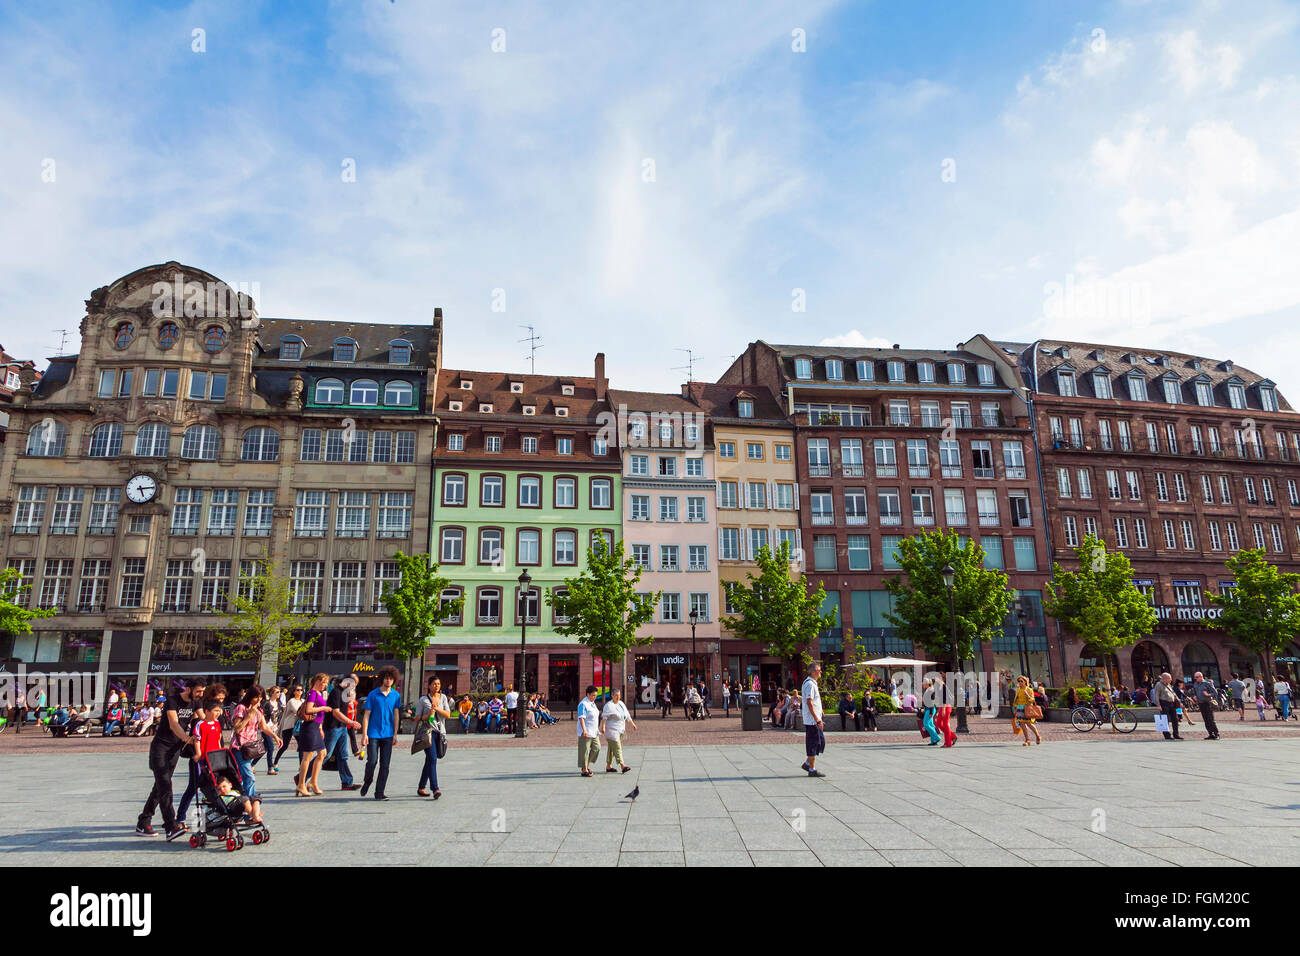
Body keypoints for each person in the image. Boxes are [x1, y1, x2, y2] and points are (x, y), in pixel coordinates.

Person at [135, 678, 201, 839]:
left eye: (202, 692)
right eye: (198, 691)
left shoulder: (196, 702)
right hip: (160, 749)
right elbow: (174, 723)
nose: (200, 694)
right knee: (165, 786)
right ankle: (170, 826)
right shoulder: (172, 701)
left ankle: (143, 822)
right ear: (188, 689)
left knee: (159, 788)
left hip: (174, 750)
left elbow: (204, 719)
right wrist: (186, 738)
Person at [178, 684, 227, 825]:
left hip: (214, 758)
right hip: (201, 758)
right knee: (192, 788)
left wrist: (220, 753)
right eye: (218, 700)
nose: (220, 707)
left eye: (222, 701)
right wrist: (198, 754)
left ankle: (214, 815)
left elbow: (219, 738)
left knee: (213, 788)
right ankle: (180, 817)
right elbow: (197, 740)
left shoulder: (217, 721)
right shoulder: (200, 720)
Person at [360, 665, 402, 800]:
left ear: (394, 680)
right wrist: (364, 734)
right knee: (372, 761)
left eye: (391, 679)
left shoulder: (396, 695)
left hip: (388, 734)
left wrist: (395, 733)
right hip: (373, 733)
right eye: (386, 678)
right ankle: (368, 781)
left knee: (385, 765)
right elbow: (366, 715)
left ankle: (379, 792)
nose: (388, 681)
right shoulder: (373, 694)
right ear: (382, 679)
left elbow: (396, 715)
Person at [230, 686, 279, 801]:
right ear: (250, 696)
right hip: (240, 747)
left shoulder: (259, 710)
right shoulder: (241, 708)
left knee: (243, 777)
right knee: (249, 777)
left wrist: (275, 736)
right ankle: (251, 802)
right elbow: (237, 728)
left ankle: (241, 801)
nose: (258, 700)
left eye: (261, 697)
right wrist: (249, 715)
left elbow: (264, 727)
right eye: (256, 697)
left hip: (251, 748)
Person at [322, 676, 363, 791]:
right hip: (333, 727)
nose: (354, 687)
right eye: (354, 684)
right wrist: (351, 722)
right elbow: (336, 713)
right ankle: (302, 777)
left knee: (343, 755)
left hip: (342, 727)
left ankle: (347, 782)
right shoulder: (336, 692)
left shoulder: (344, 693)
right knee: (325, 754)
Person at [415, 676, 451, 798]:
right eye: (434, 684)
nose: (437, 686)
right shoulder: (423, 700)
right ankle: (435, 788)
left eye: (438, 684)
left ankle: (421, 787)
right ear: (429, 686)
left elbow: (448, 715)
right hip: (428, 733)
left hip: (440, 732)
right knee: (433, 758)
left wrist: (437, 709)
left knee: (430, 760)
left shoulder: (444, 698)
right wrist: (428, 714)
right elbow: (417, 718)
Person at [295, 674, 330, 797]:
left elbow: (318, 714)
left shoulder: (318, 694)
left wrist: (320, 727)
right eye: (324, 682)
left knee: (322, 753)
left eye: (326, 683)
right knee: (308, 756)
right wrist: (324, 708)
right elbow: (309, 710)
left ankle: (313, 782)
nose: (325, 685)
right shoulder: (312, 693)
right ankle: (301, 784)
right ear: (317, 681)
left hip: (315, 726)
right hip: (309, 727)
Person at [600, 688, 636, 773]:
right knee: (617, 747)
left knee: (612, 749)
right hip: (611, 730)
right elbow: (604, 717)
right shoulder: (608, 705)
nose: (618, 697)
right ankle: (623, 765)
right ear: (612, 696)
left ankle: (608, 766)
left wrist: (632, 724)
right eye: (616, 695)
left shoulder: (621, 704)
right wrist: (603, 727)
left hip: (620, 730)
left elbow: (627, 715)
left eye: (619, 695)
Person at [801, 663, 825, 777]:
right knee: (813, 743)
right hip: (812, 721)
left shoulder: (812, 684)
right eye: (819, 670)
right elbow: (809, 702)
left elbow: (814, 702)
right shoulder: (810, 684)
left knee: (820, 742)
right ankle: (812, 769)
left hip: (814, 718)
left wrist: (820, 712)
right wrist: (817, 719)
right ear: (813, 672)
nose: (821, 672)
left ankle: (807, 763)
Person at [273, 684, 302, 771]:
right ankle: (275, 763)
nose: (300, 691)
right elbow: (297, 711)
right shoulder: (291, 701)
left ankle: (301, 766)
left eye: (301, 690)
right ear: (294, 692)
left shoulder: (303, 701)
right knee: (285, 745)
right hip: (289, 725)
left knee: (301, 745)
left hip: (298, 726)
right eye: (297, 690)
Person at [577, 684, 601, 777]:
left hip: (594, 731)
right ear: (587, 694)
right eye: (592, 695)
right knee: (585, 750)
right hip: (586, 732)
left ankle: (586, 764)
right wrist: (584, 730)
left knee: (597, 748)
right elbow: (581, 718)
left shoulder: (592, 703)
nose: (594, 697)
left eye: (595, 695)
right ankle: (584, 769)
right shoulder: (583, 704)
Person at [1012, 675, 1041, 746]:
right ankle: (1027, 740)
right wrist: (1015, 707)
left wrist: (1027, 695)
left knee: (1029, 723)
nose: (1020, 682)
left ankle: (1037, 736)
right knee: (1022, 724)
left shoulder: (1029, 690)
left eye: (1021, 681)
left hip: (1027, 708)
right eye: (1018, 681)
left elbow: (1032, 699)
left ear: (1025, 682)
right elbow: (1016, 698)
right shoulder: (1018, 689)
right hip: (1019, 707)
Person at [1154, 672, 1183, 741]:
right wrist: (1158, 705)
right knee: (1165, 720)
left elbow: (1173, 693)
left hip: (1172, 704)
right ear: (1164, 679)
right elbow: (1156, 695)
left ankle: (1176, 734)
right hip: (1164, 703)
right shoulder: (1158, 685)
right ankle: (1167, 735)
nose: (1171, 680)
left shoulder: (1168, 684)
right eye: (1169, 678)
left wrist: (1179, 701)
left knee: (1175, 719)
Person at [261, 686, 284, 774]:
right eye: (277, 692)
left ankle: (252, 764)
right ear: (272, 693)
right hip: (266, 728)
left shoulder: (279, 704)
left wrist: (276, 725)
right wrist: (266, 726)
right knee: (270, 747)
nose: (279, 694)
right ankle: (270, 768)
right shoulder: (266, 703)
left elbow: (279, 716)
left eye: (279, 692)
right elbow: (262, 716)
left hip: (274, 728)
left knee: (265, 748)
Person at [1191, 671, 1220, 741]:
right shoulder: (1195, 684)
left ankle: (1216, 734)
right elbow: (1194, 692)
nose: (1196, 679)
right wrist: (1195, 696)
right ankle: (1210, 734)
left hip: (1208, 703)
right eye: (1195, 677)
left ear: (1201, 677)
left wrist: (1208, 695)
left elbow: (1215, 693)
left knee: (1211, 719)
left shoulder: (1207, 683)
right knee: (1206, 720)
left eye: (1197, 677)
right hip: (1201, 703)